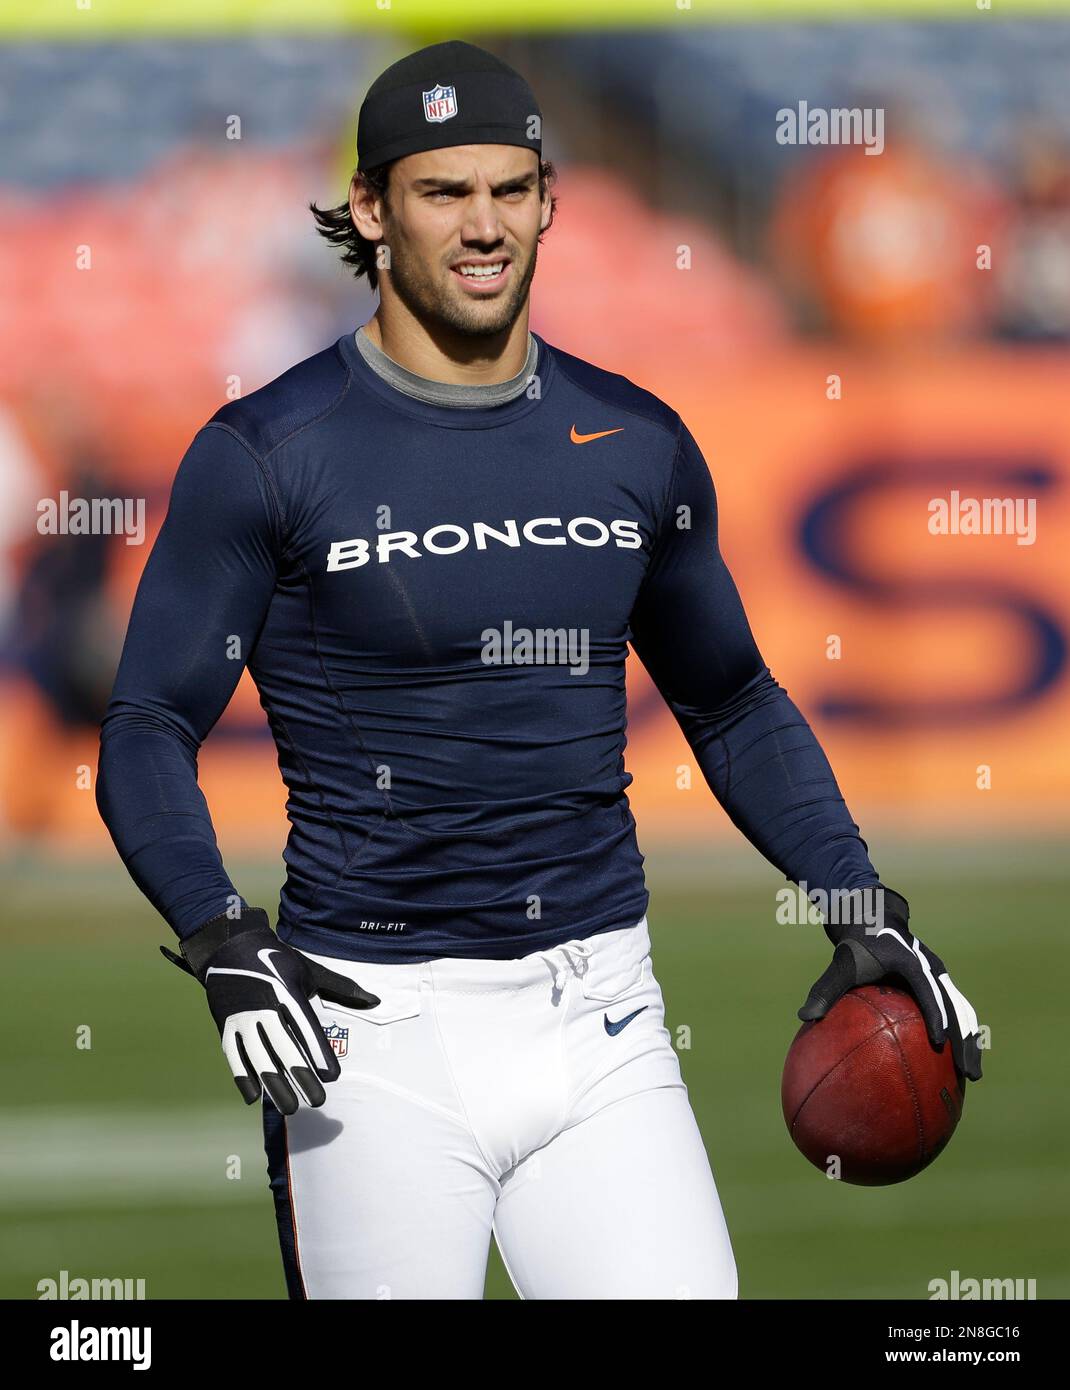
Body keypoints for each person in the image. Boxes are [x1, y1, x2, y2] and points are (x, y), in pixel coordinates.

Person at [97, 40, 982, 1301]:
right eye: (443, 191)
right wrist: (219, 927)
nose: (483, 225)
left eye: (510, 189)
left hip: (603, 1020)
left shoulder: (631, 441)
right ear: (368, 209)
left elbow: (728, 695)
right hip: (368, 1035)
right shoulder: (267, 450)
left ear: (551, 200)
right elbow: (144, 720)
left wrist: (852, 893)